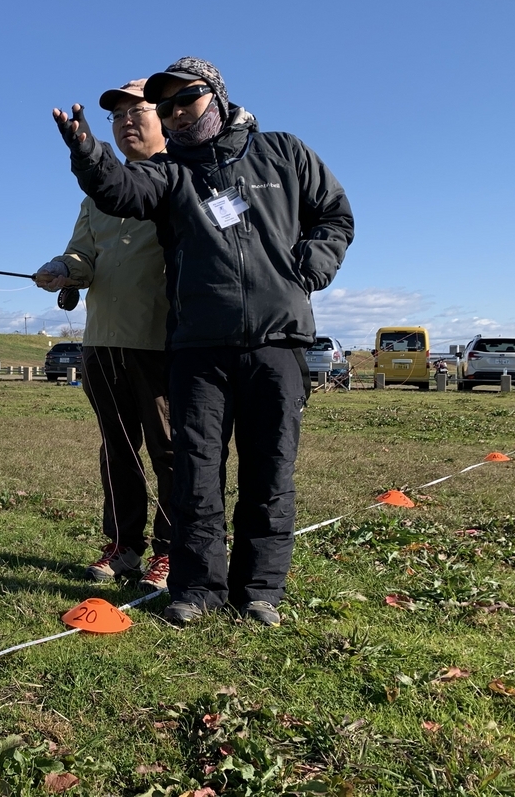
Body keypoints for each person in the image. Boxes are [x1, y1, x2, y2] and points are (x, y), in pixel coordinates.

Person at [54, 57, 354, 626]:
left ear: (213, 94)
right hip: (197, 347)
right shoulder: (171, 174)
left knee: (270, 468)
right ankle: (196, 589)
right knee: (195, 469)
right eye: (162, 106)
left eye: (183, 99)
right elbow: (116, 189)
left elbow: (334, 215)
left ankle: (260, 590)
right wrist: (88, 154)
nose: (173, 113)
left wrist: (309, 267)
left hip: (277, 342)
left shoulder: (284, 151)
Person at [34, 78, 174, 590]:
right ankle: (123, 547)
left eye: (138, 111)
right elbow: (82, 254)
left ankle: (172, 553)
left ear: (169, 117)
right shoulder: (96, 193)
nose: (126, 122)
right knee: (117, 450)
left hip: (164, 345)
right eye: (117, 116)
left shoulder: (183, 178)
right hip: (103, 343)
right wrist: (62, 270)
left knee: (172, 454)